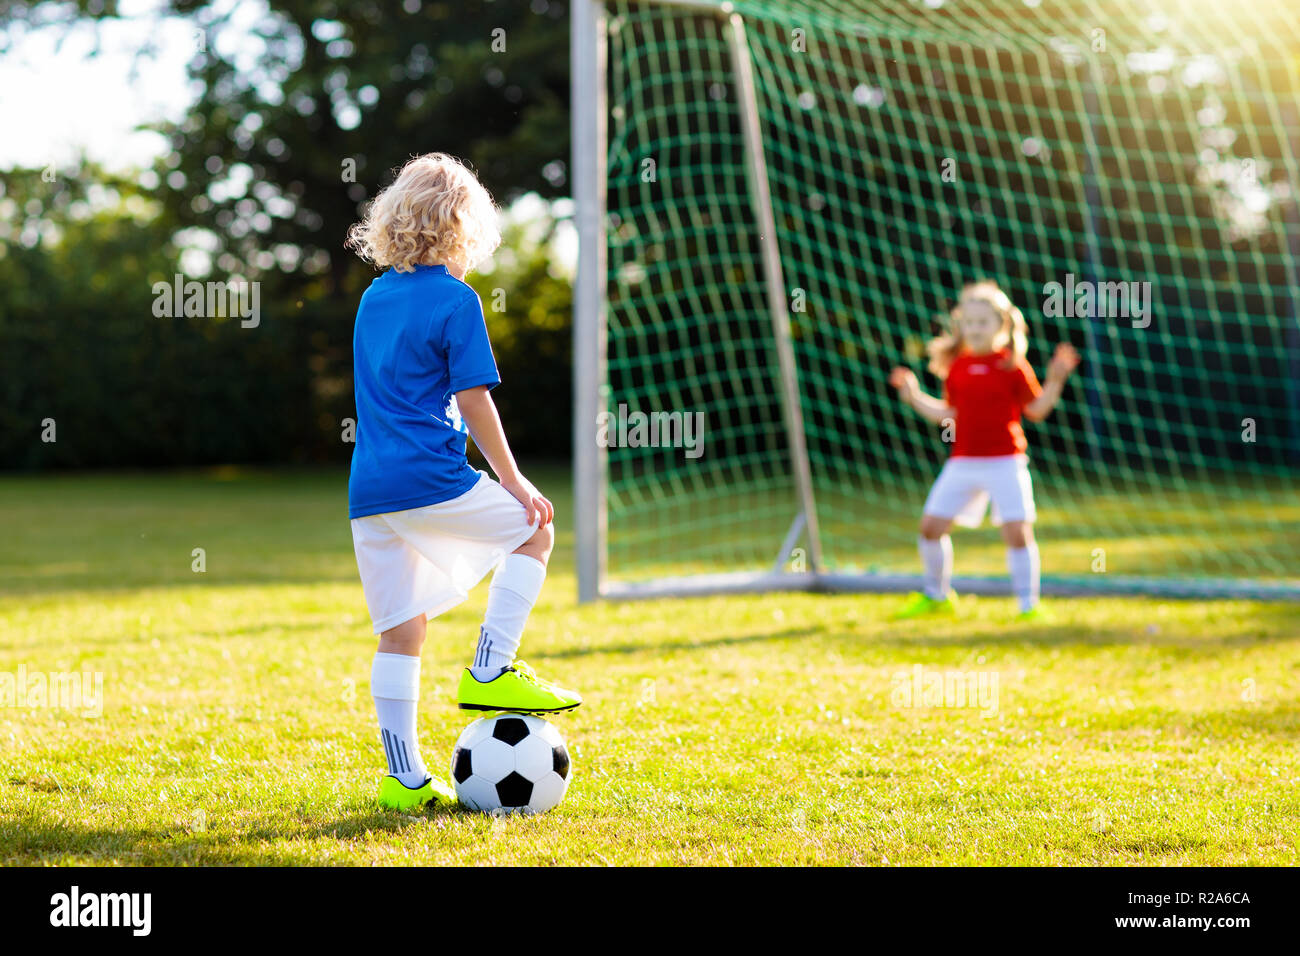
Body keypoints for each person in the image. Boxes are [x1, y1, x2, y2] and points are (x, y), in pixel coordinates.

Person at [344, 153, 581, 811]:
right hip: (429, 477)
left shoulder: (374, 296)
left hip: (369, 492)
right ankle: (491, 666)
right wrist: (515, 481)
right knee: (535, 527)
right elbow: (473, 399)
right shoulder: (455, 298)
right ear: (463, 228)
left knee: (401, 631)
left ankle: (405, 779)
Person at [888, 280, 1079, 620]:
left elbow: (1036, 410)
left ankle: (1027, 605)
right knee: (930, 528)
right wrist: (914, 396)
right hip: (963, 462)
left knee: (1017, 533)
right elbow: (948, 414)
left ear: (1001, 326)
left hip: (1006, 461)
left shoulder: (1012, 366)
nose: (975, 329)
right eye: (969, 323)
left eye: (983, 323)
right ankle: (936, 595)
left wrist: (1056, 380)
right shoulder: (957, 368)